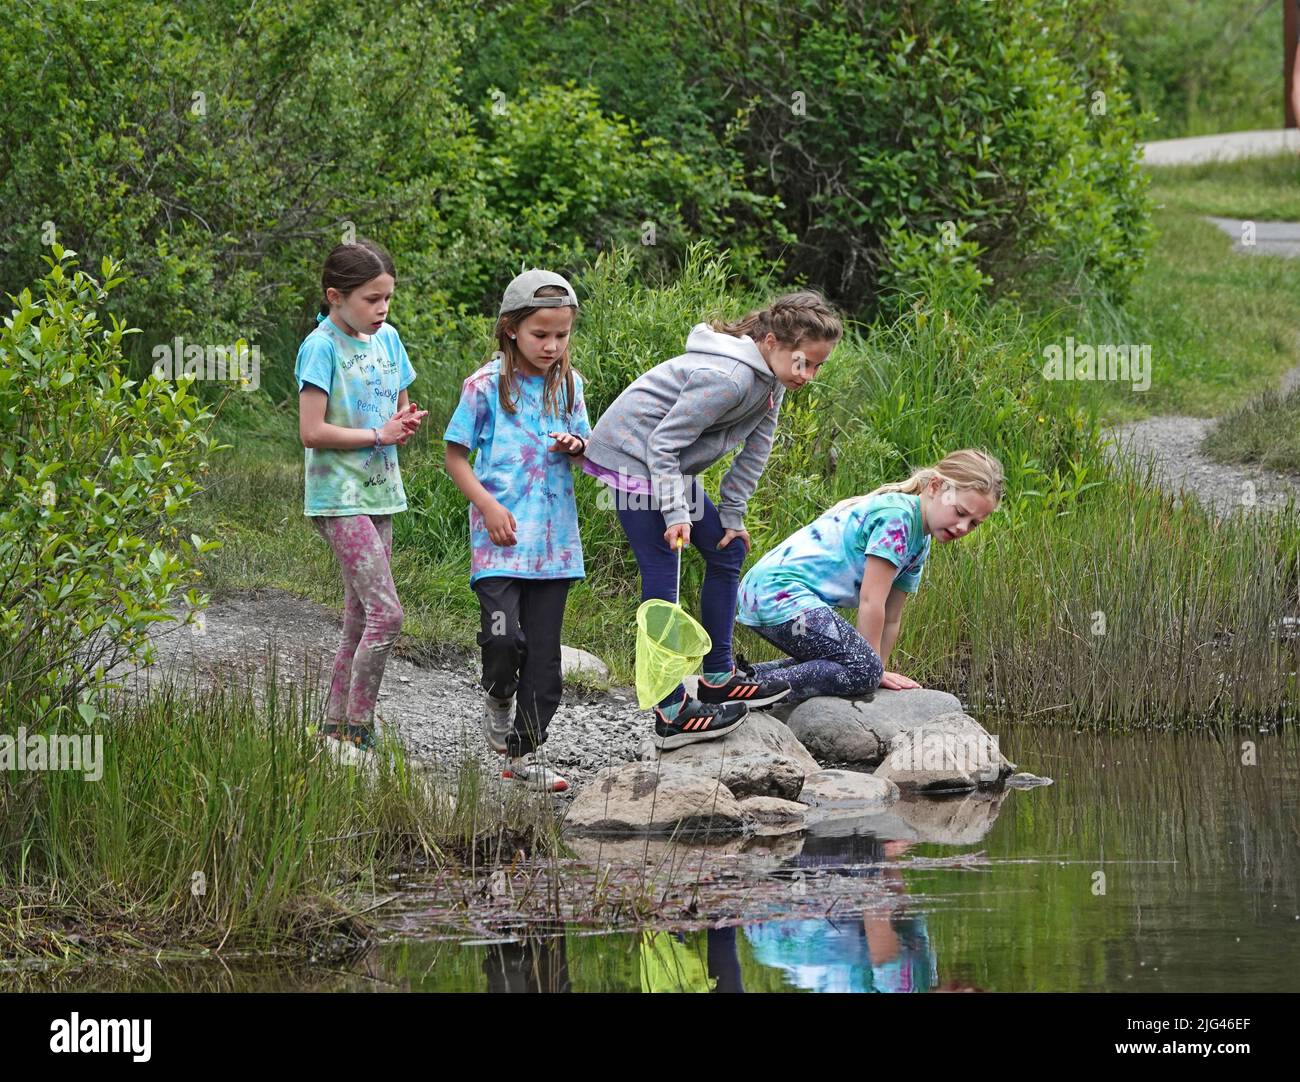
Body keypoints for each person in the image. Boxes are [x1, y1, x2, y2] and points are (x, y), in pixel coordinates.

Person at [583, 292, 843, 748]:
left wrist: (733, 516)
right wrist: (676, 512)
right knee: (665, 577)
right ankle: (670, 713)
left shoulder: (772, 382)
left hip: (667, 466)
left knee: (729, 547)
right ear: (770, 341)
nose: (809, 375)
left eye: (818, 367)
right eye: (804, 362)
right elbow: (661, 443)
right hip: (632, 459)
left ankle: (718, 676)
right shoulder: (729, 378)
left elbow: (755, 453)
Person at [443, 270, 590, 792]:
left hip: (554, 548)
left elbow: (587, 446)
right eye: (540, 334)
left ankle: (522, 758)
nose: (552, 345)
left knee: (547, 666)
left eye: (562, 335)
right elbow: (455, 456)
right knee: (504, 638)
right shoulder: (484, 386)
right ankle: (498, 694)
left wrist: (578, 447)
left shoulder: (569, 386)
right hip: (500, 541)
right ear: (510, 329)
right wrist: (486, 506)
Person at [736, 449, 1003, 703]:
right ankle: (750, 692)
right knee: (862, 667)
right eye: (960, 512)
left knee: (858, 667)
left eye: (974, 523)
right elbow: (871, 602)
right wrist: (871, 670)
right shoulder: (897, 519)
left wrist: (877, 670)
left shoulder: (921, 542)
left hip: (768, 595)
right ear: (934, 487)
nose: (962, 527)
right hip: (778, 592)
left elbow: (892, 615)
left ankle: (746, 678)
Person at [295, 239, 427, 751]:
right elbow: (311, 431)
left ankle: (333, 725)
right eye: (372, 299)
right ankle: (360, 727)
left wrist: (404, 421)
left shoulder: (389, 339)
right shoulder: (321, 346)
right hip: (338, 497)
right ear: (335, 296)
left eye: (388, 298)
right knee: (387, 614)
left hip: (380, 493)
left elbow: (399, 403)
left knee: (358, 614)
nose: (383, 309)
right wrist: (379, 436)